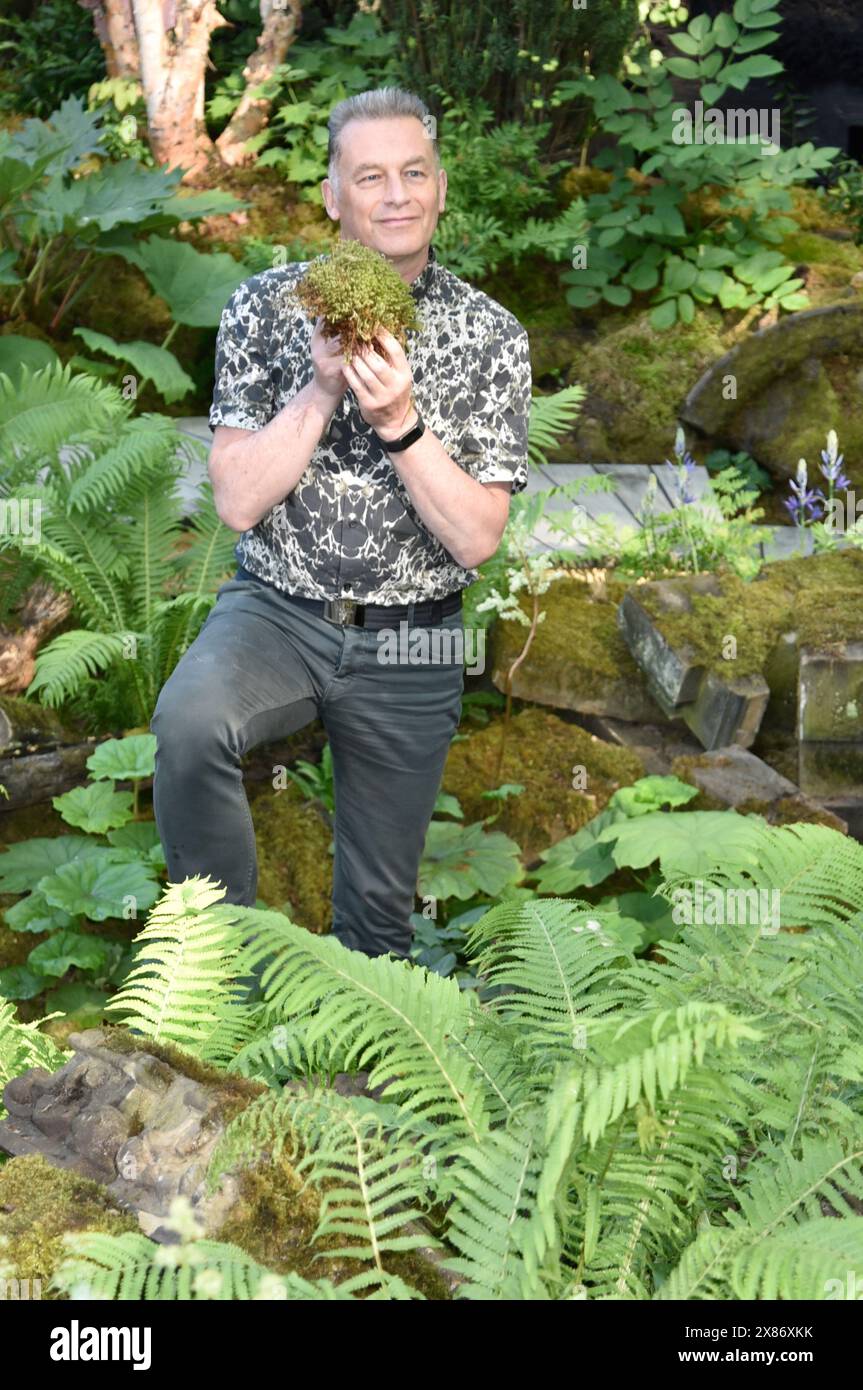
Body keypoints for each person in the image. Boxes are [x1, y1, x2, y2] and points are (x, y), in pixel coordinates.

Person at [149, 86, 532, 960]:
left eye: (413, 172)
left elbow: (475, 538)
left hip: (414, 637)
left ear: (439, 188)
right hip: (276, 613)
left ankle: (361, 1077)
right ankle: (212, 976)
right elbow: (239, 502)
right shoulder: (262, 308)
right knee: (189, 723)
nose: (395, 194)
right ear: (332, 197)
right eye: (370, 176)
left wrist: (400, 420)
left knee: (376, 922)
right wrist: (320, 387)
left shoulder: (489, 334)